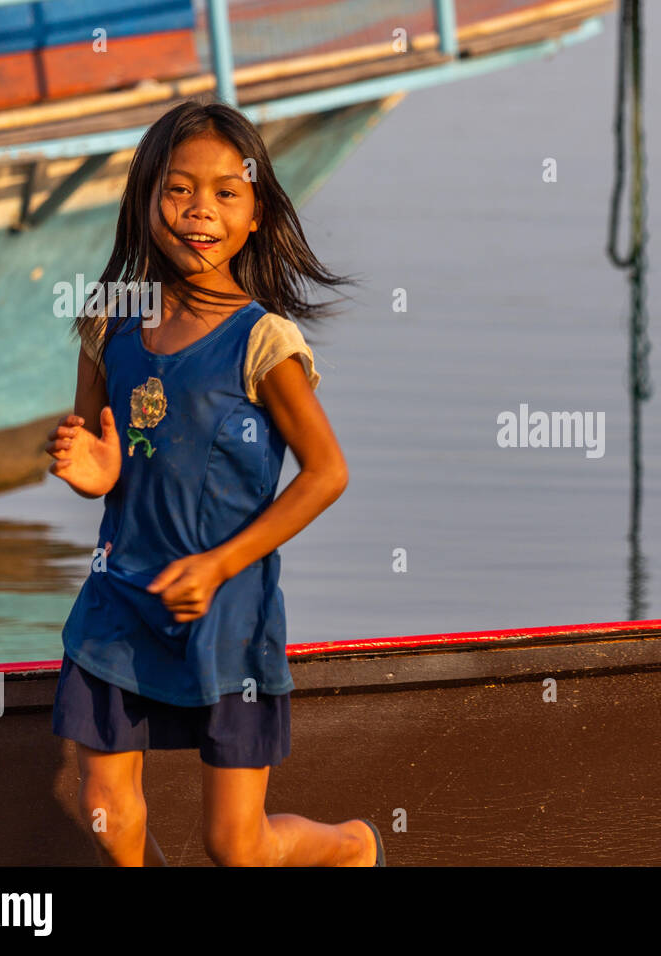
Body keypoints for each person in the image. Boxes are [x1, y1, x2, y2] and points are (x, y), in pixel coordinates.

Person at [45, 98, 384, 867]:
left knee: (236, 845)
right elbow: (104, 453)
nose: (201, 211)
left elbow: (326, 473)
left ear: (257, 213)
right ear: (145, 200)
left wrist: (220, 564)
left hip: (227, 609)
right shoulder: (108, 324)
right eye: (178, 189)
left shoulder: (265, 340)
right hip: (120, 599)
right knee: (108, 811)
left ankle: (352, 847)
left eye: (227, 193)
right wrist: (93, 473)